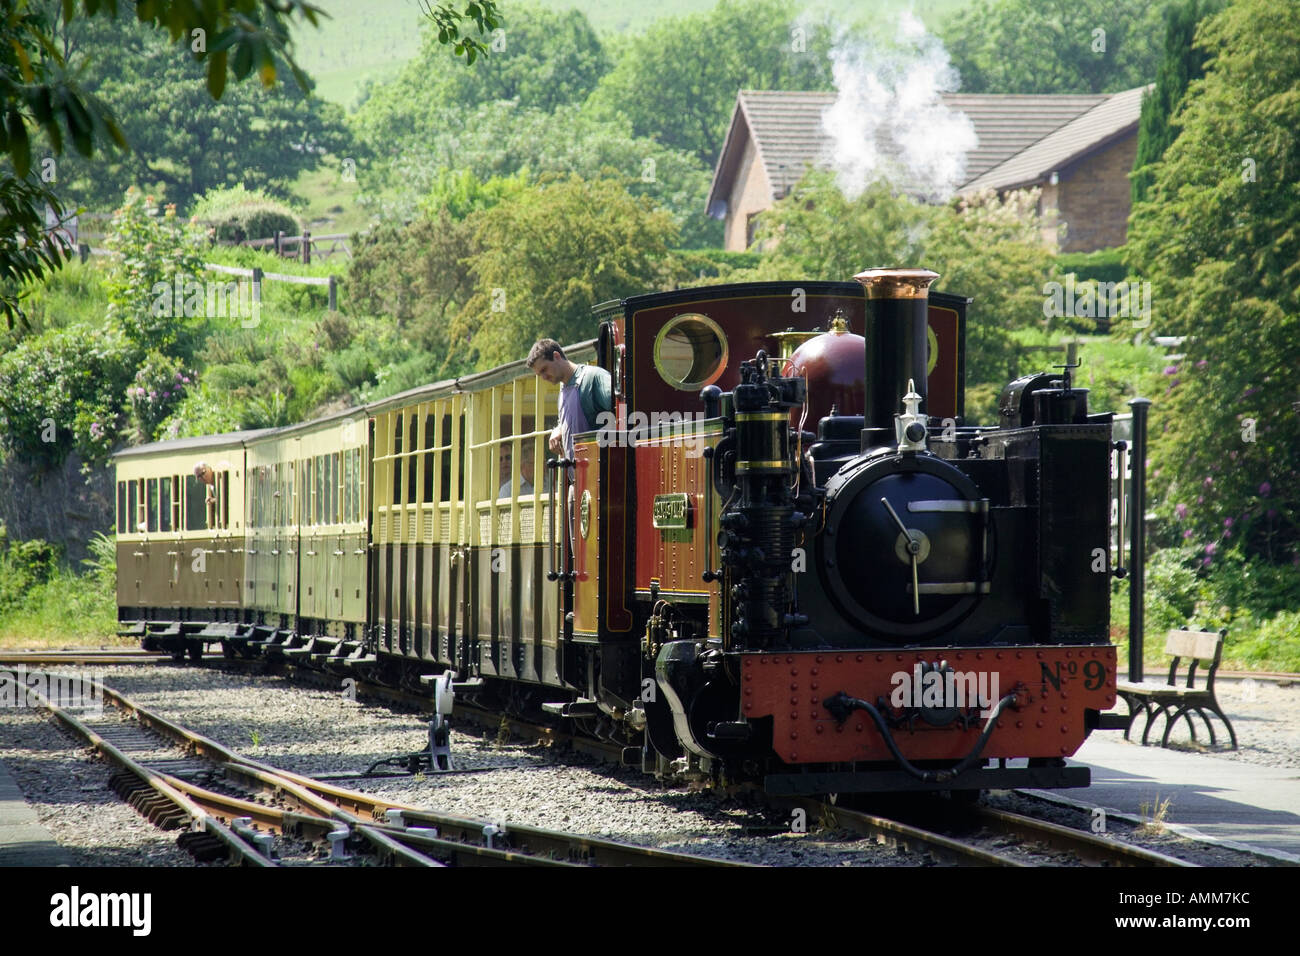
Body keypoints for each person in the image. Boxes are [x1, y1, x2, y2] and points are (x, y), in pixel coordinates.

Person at [526, 339, 613, 459]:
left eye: (544, 369)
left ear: (556, 356)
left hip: (600, 468)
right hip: (577, 473)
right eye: (539, 374)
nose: (544, 377)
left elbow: (622, 410)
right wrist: (559, 429)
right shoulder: (563, 388)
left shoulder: (594, 378)